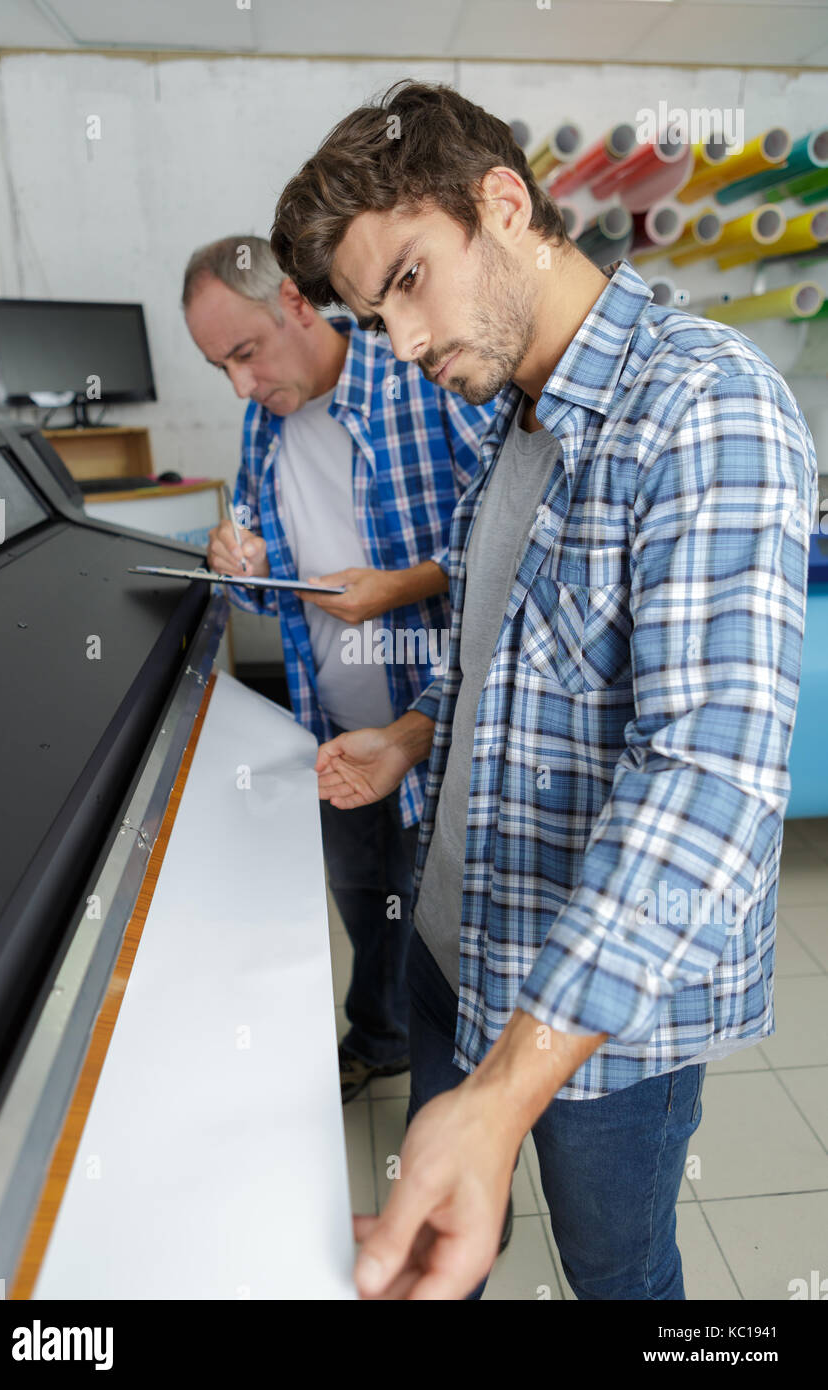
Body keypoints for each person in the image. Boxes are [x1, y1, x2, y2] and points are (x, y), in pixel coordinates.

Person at [269, 80, 819, 1299]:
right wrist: (415, 737)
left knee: (616, 1273)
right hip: (444, 941)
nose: (400, 345)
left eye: (406, 279)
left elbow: (709, 785)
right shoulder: (509, 416)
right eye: (373, 315)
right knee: (439, 1243)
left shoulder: (702, 404)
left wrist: (509, 1090)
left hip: (593, 1033)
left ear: (502, 202)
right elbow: (499, 671)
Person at [182, 234, 496, 1103]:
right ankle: (381, 1035)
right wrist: (240, 565)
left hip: (432, 725)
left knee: (448, 941)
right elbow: (273, 593)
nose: (242, 385)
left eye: (245, 353)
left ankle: (451, 1131)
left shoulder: (419, 377)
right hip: (333, 726)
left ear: (291, 301)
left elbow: (511, 533)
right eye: (221, 367)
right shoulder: (264, 420)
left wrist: (395, 589)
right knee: (367, 901)